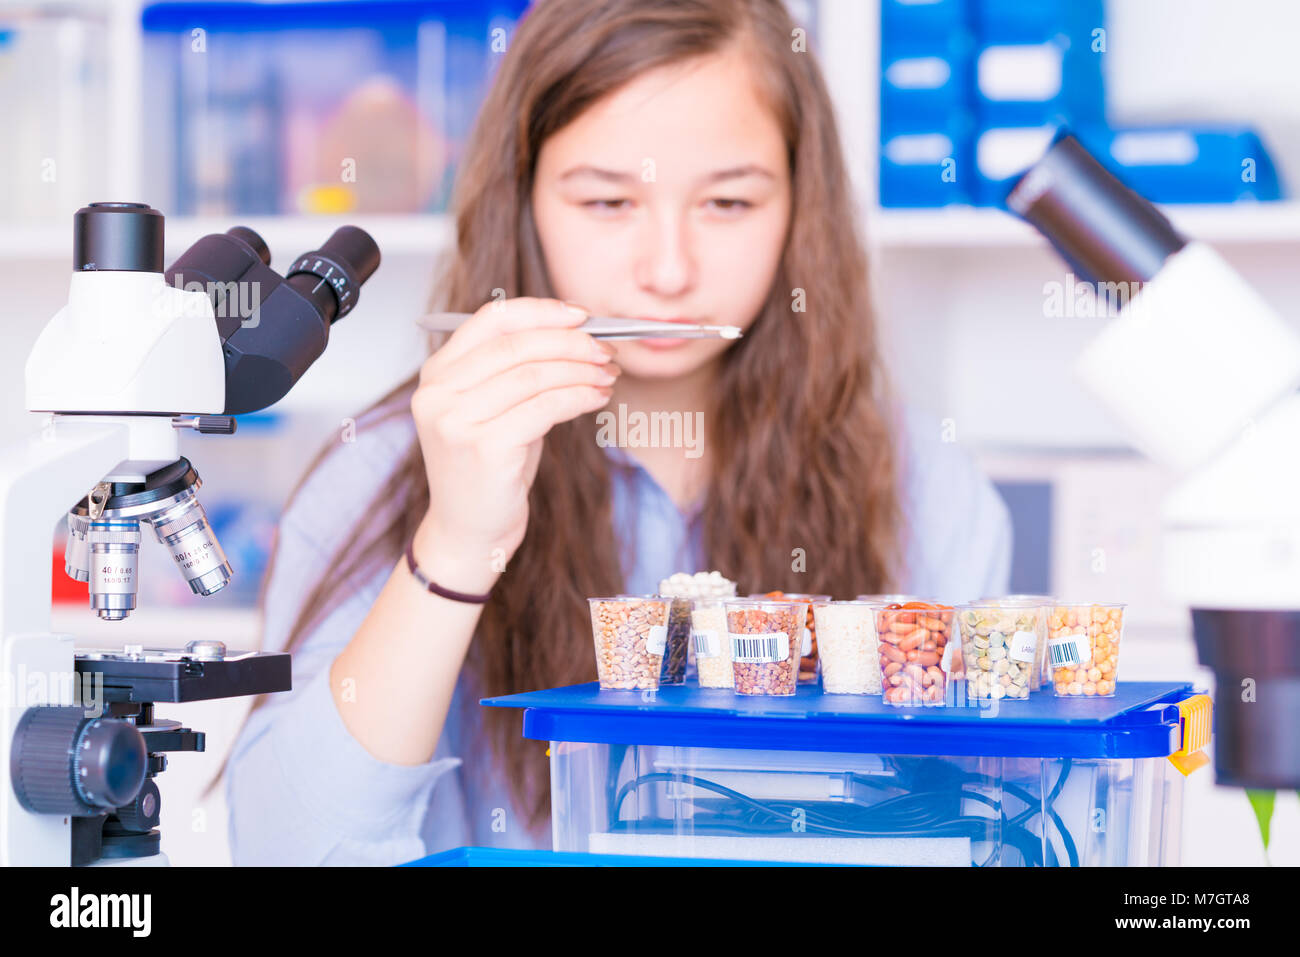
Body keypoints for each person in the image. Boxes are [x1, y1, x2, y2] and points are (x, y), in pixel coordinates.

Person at [226, 0, 1012, 865]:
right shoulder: (383, 468)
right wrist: (455, 545)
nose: (668, 271)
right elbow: (290, 849)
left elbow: (975, 829)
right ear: (519, 200)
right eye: (607, 200)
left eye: (727, 201)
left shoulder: (922, 484)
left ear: (802, 203)